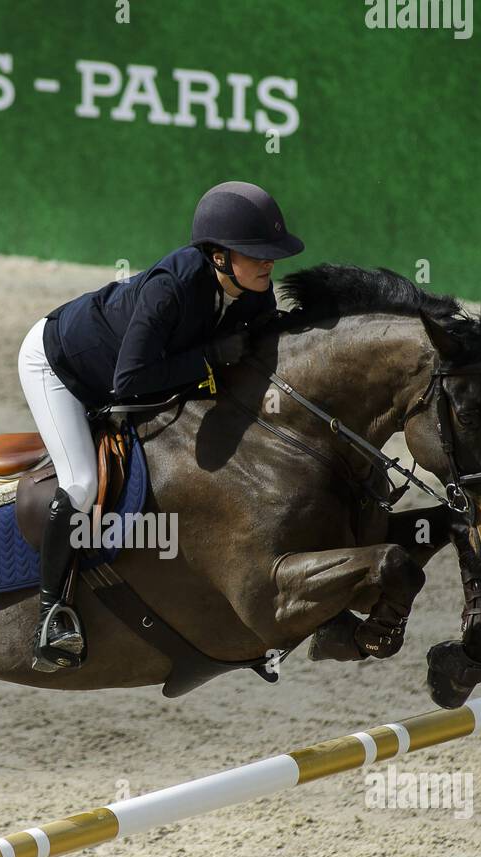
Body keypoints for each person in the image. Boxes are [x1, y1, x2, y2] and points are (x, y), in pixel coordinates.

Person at [18, 180, 305, 673]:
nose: (268, 263)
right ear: (217, 256)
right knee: (81, 483)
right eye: (255, 253)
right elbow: (129, 382)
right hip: (61, 366)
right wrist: (211, 357)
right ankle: (53, 615)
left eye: (270, 254)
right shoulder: (170, 289)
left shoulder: (253, 293)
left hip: (137, 370)